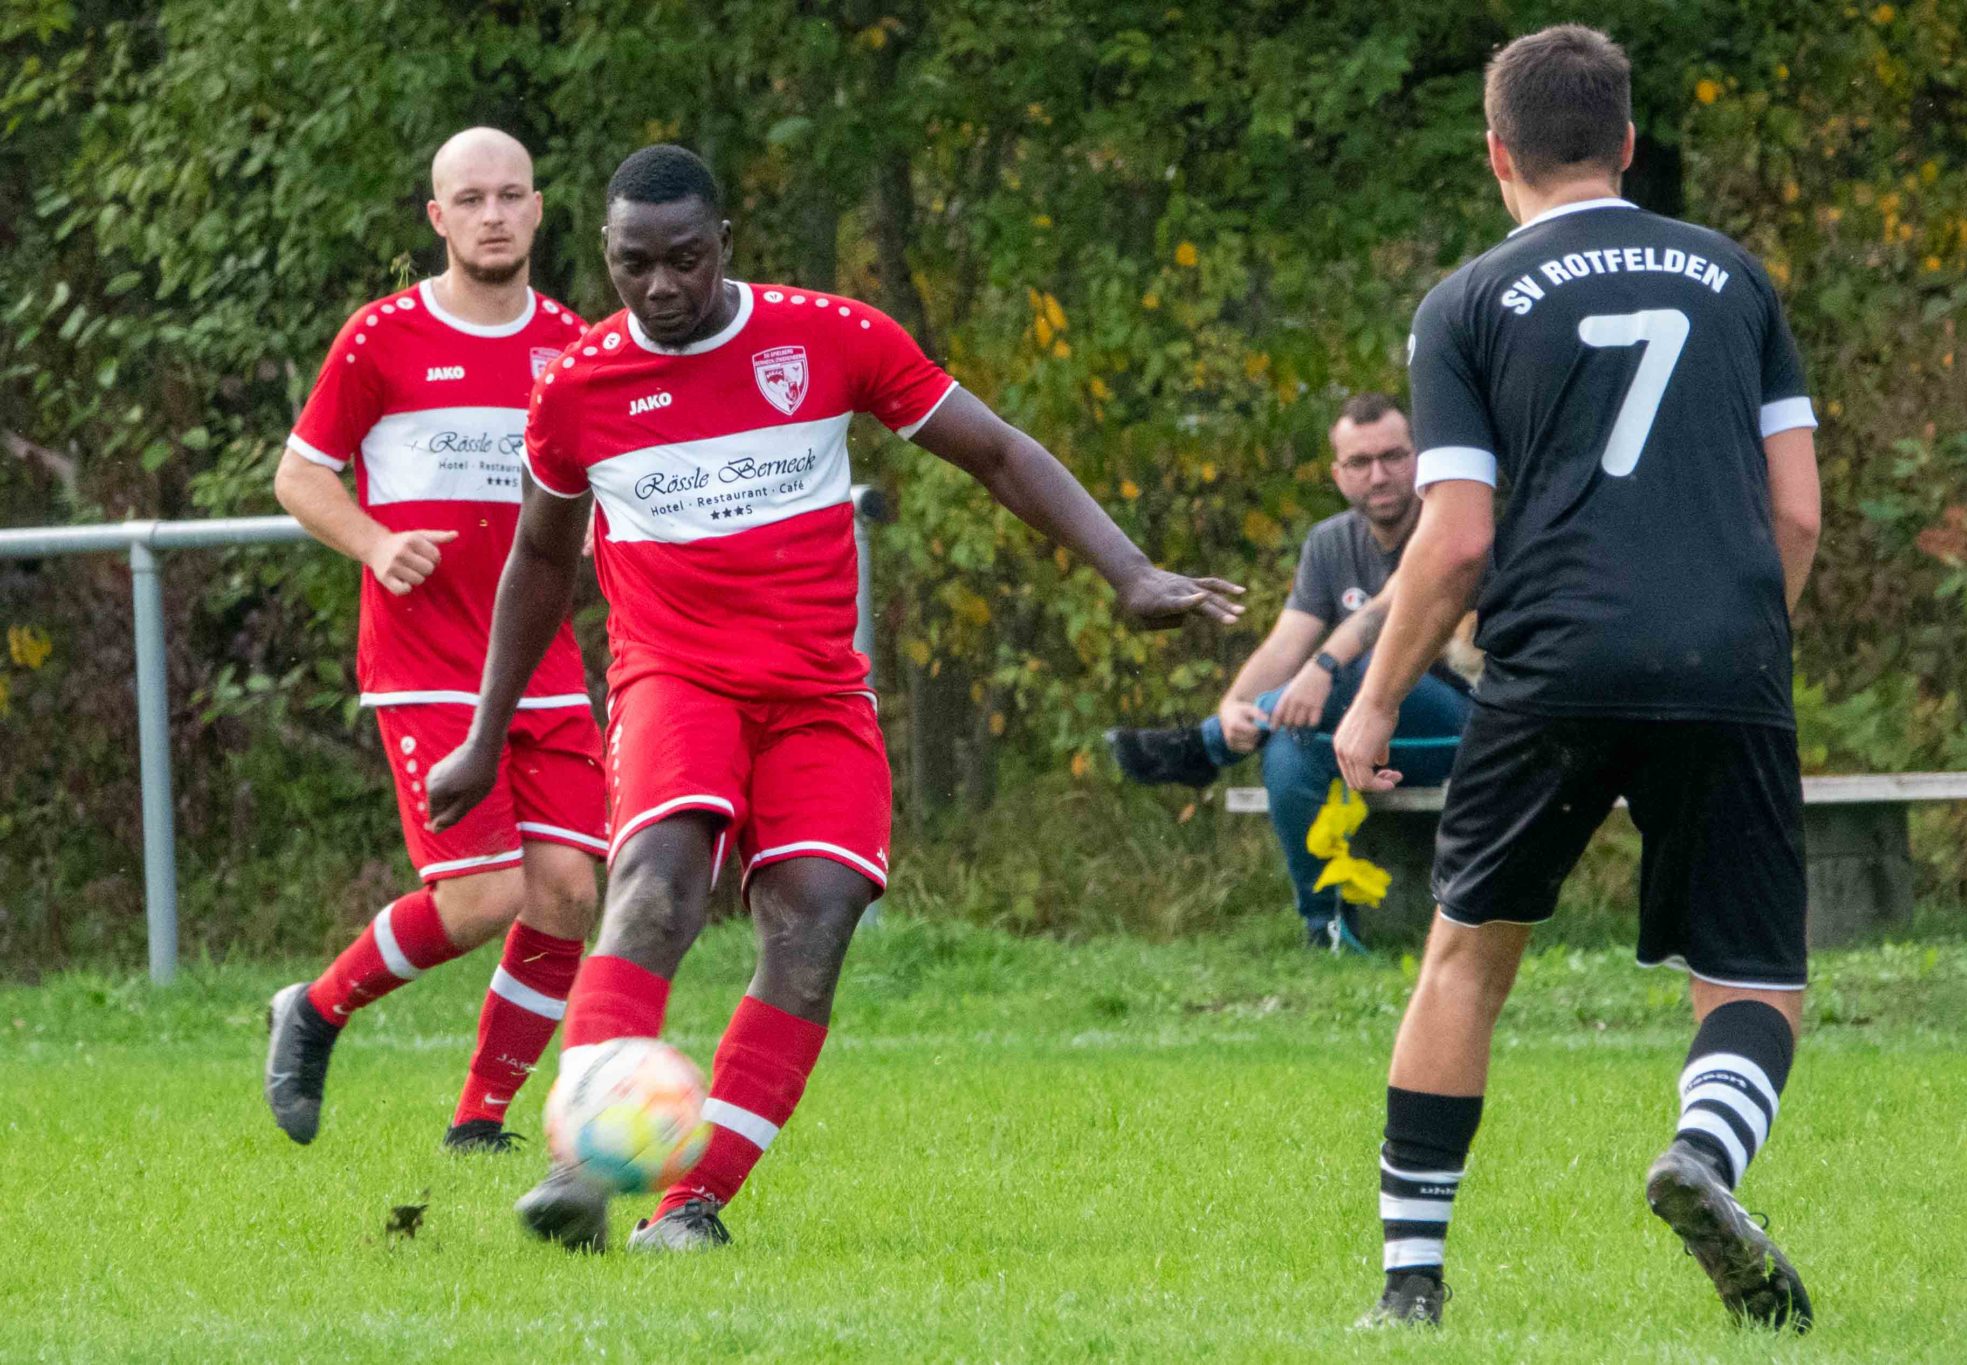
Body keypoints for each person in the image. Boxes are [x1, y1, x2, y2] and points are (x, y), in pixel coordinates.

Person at [425, 144, 1243, 1254]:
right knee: (658, 881)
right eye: (632, 265)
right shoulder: (574, 385)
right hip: (678, 680)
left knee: (815, 922)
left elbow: (996, 453)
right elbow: (535, 559)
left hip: (816, 693)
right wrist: (484, 735)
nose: (660, 288)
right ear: (606, 257)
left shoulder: (827, 336)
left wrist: (1129, 569)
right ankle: (579, 1168)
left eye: (683, 260)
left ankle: (692, 1204)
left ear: (725, 245)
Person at [1331, 25, 1823, 1332]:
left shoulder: (1468, 302)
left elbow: (1458, 537)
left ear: (1498, 152)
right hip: (1726, 651)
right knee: (1755, 973)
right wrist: (1735, 640)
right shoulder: (1739, 281)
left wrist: (1373, 701)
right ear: (1629, 145)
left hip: (1551, 663)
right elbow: (1802, 514)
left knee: (1464, 962)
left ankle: (1411, 1287)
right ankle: (1704, 1157)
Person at [264, 128, 606, 1154]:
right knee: (482, 897)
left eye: (510, 196)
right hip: (423, 666)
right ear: (438, 216)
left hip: (542, 660)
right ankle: (316, 1010)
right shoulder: (380, 337)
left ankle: (479, 1122)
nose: (492, 214)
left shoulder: (578, 345)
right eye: (471, 199)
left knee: (569, 893)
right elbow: (299, 475)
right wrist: (373, 541)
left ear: (539, 210)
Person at [1105, 394, 1476, 952]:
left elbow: (1386, 611)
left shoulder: (1453, 523)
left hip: (1460, 728)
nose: (1379, 475)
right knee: (1288, 748)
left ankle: (1200, 751)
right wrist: (1234, 706)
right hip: (1367, 740)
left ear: (1420, 456)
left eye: (1394, 456)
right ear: (1337, 473)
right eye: (1360, 462)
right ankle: (1325, 930)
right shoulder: (1330, 543)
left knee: (1371, 669)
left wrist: (1324, 668)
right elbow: (1287, 643)